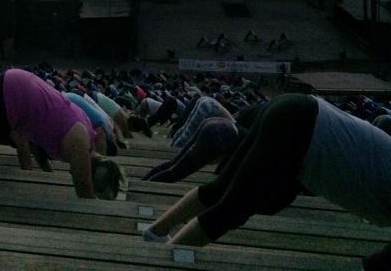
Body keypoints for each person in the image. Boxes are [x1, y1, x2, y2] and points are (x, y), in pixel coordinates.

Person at [142, 92, 391, 268]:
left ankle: (156, 232)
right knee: (230, 210)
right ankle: (162, 262)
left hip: (296, 110)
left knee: (221, 191)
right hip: (301, 131)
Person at [0, 68, 125, 199]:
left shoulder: (82, 133)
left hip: (11, 86)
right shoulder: (80, 145)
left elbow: (41, 150)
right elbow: (84, 192)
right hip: (9, 94)